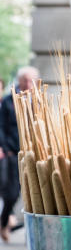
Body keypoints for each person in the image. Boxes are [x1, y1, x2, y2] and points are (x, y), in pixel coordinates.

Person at [0, 66, 38, 240]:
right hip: (14, 151)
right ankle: (3, 222)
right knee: (12, 193)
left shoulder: (38, 99)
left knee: (34, 193)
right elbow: (2, 127)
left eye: (31, 80)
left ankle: (32, 232)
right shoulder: (8, 101)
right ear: (20, 80)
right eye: (25, 80)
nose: (28, 84)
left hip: (34, 153)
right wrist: (5, 148)